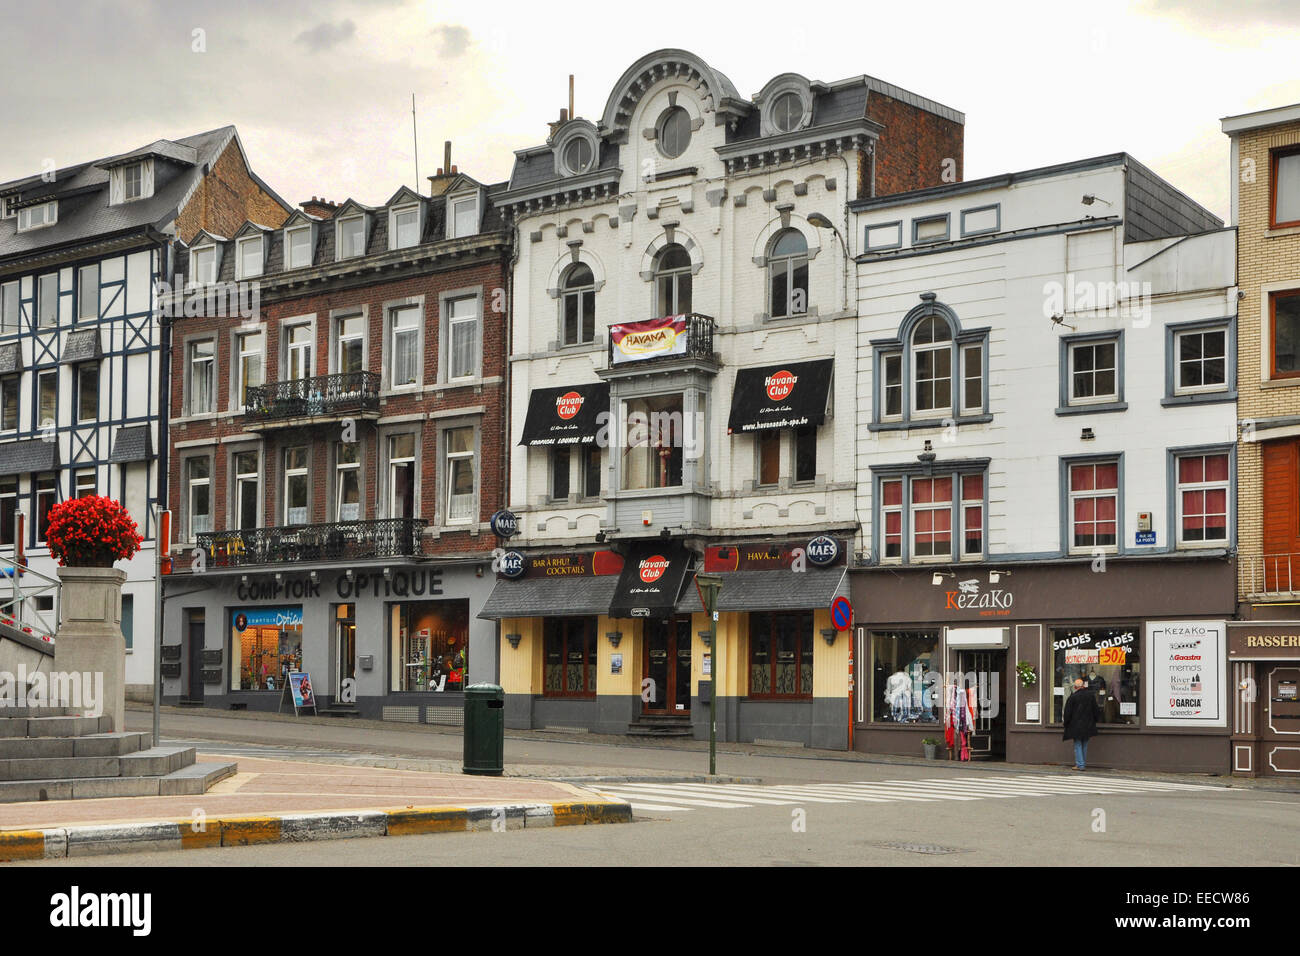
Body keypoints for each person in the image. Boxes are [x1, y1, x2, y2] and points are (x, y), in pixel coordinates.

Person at [1062, 677, 1102, 770]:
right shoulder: (1091, 696)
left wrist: (1066, 724)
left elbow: (1067, 713)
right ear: (1083, 686)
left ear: (1075, 687)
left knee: (1078, 744)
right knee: (1085, 744)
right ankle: (1081, 763)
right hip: (1088, 725)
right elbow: (1096, 710)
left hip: (1076, 725)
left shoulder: (1072, 697)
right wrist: (1095, 720)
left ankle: (1080, 764)